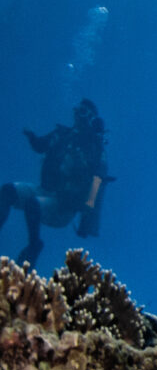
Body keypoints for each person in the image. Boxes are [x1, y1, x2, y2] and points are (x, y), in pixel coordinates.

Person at [0, 98, 111, 265]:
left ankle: (34, 246)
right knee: (7, 191)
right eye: (77, 110)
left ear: (91, 119)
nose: (77, 115)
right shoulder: (62, 135)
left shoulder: (94, 149)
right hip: (44, 191)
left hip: (63, 206)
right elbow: (40, 146)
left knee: (32, 204)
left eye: (83, 112)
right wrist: (31, 136)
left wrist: (86, 220)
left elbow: (97, 184)